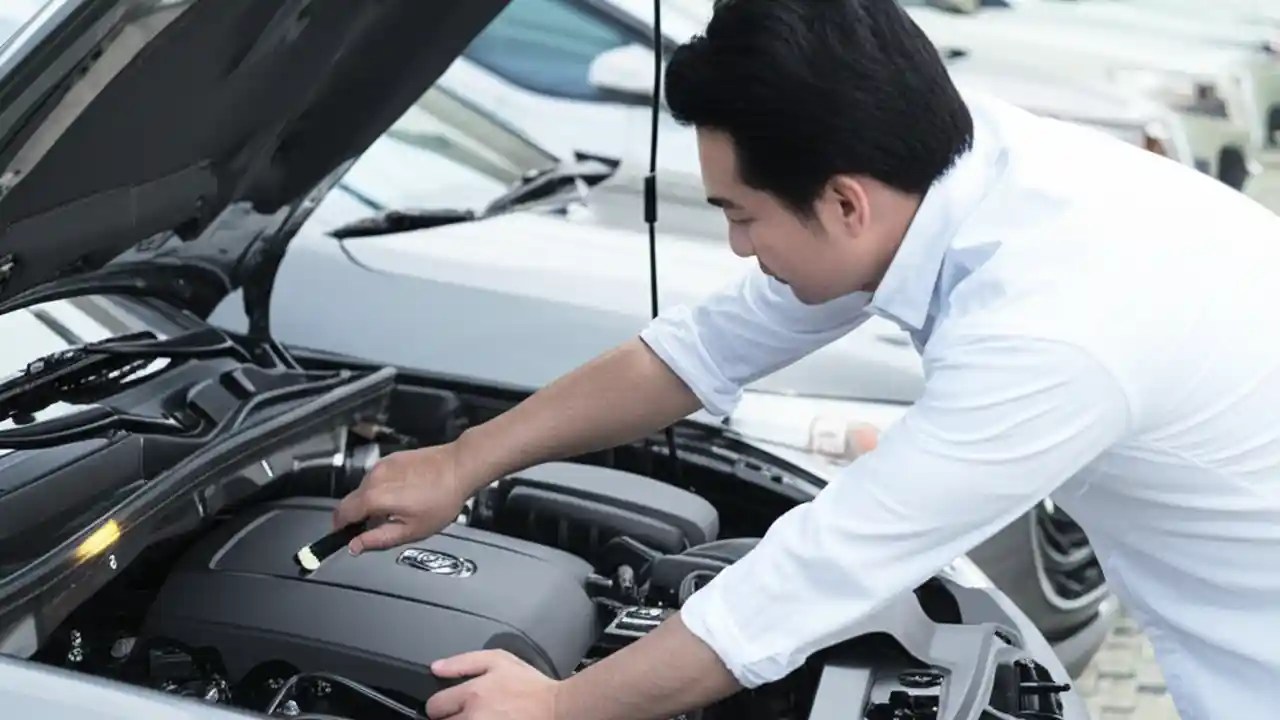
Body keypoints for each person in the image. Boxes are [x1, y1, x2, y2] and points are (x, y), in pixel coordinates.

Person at [333, 1, 1280, 718]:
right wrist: (462, 463)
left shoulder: (1050, 329)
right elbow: (699, 352)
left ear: (844, 203)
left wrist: (559, 705)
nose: (742, 249)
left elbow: (816, 576)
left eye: (742, 216)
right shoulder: (953, 157)